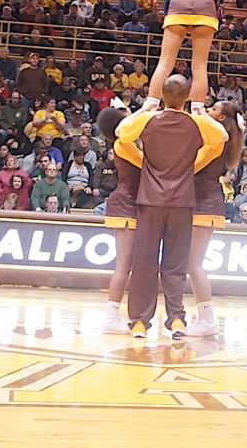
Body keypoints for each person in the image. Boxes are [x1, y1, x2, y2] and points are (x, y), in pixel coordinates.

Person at [115, 75, 228, 339]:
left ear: (163, 95)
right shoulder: (196, 123)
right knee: (176, 263)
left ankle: (140, 322)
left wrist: (144, 109)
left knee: (144, 262)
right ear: (187, 96)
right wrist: (202, 113)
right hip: (182, 200)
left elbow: (121, 132)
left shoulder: (148, 120)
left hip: (150, 199)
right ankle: (177, 319)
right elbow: (221, 136)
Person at [186, 100, 243, 337]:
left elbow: (189, 168)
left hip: (205, 204)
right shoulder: (216, 138)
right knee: (191, 264)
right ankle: (203, 316)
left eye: (213, 109)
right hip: (202, 202)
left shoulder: (215, 142)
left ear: (221, 119)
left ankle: (208, 320)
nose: (207, 110)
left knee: (193, 264)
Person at [95, 108, 141, 332]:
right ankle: (111, 318)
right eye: (127, 116)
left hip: (131, 203)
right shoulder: (124, 144)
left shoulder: (127, 143)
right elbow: (149, 166)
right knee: (124, 265)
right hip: (125, 204)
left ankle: (119, 315)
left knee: (128, 265)